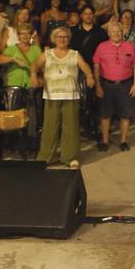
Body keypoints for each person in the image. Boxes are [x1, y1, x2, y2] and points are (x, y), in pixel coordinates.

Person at [32, 26, 96, 168]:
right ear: (54, 39)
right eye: (59, 37)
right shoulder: (47, 54)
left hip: (70, 95)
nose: (62, 39)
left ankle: (70, 158)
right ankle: (46, 157)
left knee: (71, 127)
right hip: (51, 95)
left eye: (65, 37)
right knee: (50, 127)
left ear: (69, 39)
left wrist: (90, 76)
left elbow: (85, 66)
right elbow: (35, 65)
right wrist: (34, 76)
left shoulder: (74, 54)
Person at [92, 20, 135, 151]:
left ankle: (123, 141)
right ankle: (104, 141)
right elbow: (96, 66)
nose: (116, 34)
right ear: (109, 33)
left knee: (125, 114)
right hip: (106, 85)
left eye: (119, 31)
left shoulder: (130, 46)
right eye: (113, 31)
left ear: (123, 33)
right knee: (105, 114)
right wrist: (97, 85)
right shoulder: (101, 47)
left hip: (125, 85)